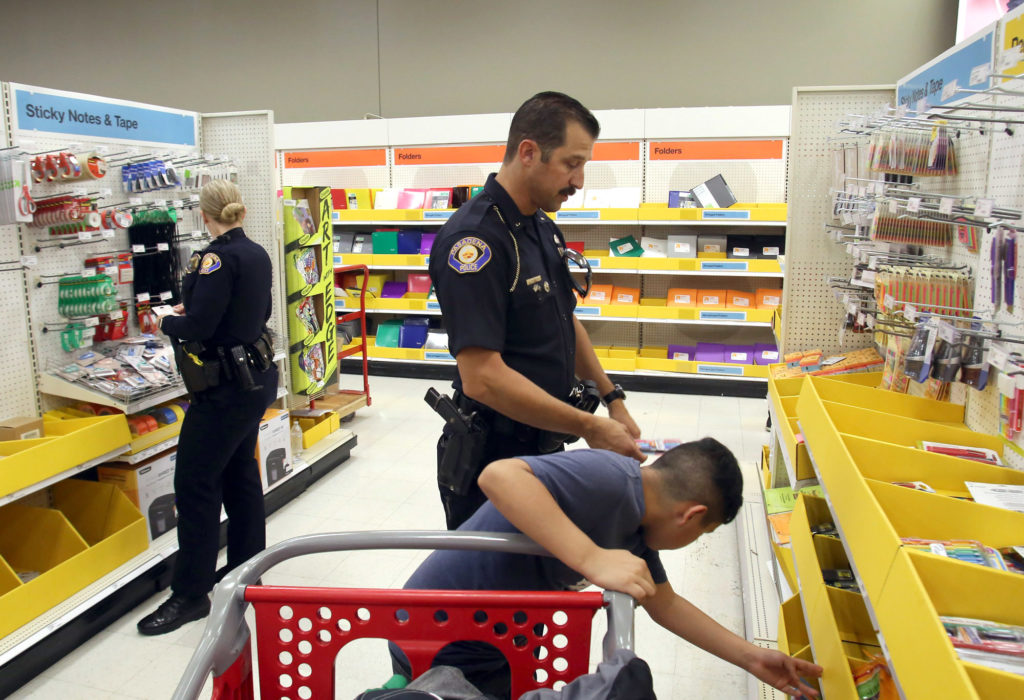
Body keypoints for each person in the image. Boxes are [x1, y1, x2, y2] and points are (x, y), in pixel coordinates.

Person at [392, 439, 824, 698]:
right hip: (440, 630)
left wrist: (751, 658)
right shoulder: (611, 479)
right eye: (702, 534)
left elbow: (665, 604)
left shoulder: (636, 528)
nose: (693, 542)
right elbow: (500, 476)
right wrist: (591, 557)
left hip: (495, 640)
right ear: (691, 515)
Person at [428, 91, 644, 530]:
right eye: (572, 163)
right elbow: (482, 378)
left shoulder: (540, 226)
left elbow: (565, 320)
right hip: (492, 456)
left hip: (542, 443)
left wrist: (611, 398)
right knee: (495, 591)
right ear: (528, 152)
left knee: (537, 583)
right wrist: (589, 426)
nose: (579, 181)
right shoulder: (477, 242)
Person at [137, 180, 279, 635]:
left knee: (195, 484)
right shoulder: (255, 252)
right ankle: (246, 569)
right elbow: (252, 312)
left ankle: (190, 593)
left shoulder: (215, 258)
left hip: (222, 388)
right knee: (239, 475)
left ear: (204, 214)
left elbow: (200, 323)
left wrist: (167, 320)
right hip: (252, 378)